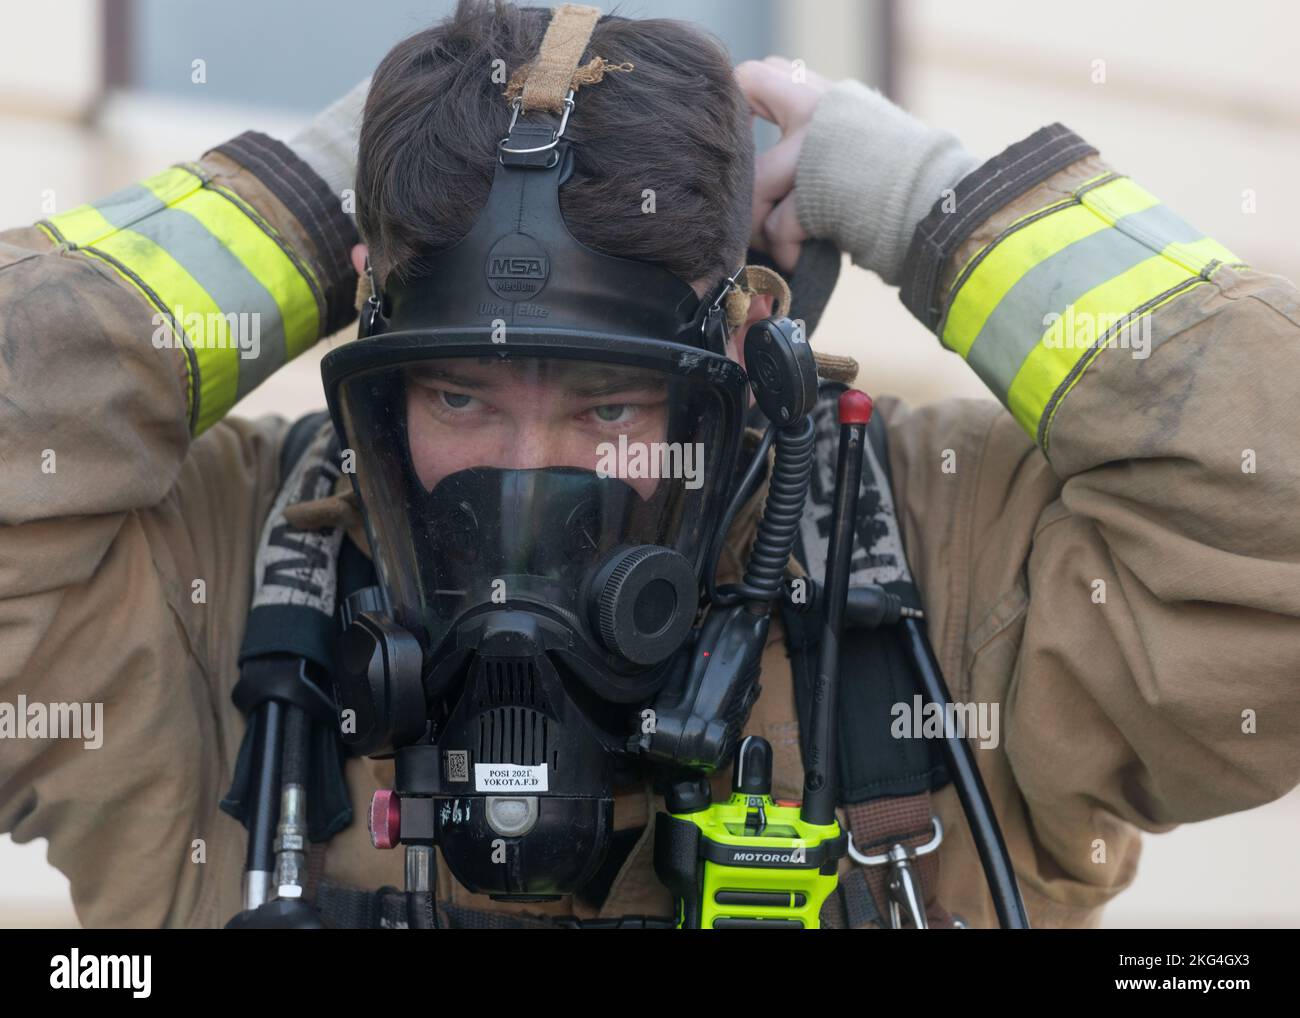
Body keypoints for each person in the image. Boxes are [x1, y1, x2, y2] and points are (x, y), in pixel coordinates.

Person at [1, 0, 1296, 929]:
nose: (530, 470)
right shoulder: (218, 581)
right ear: (376, 362)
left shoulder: (943, 572)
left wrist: (932, 203)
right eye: (459, 393)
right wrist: (321, 191)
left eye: (610, 403)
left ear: (744, 356)